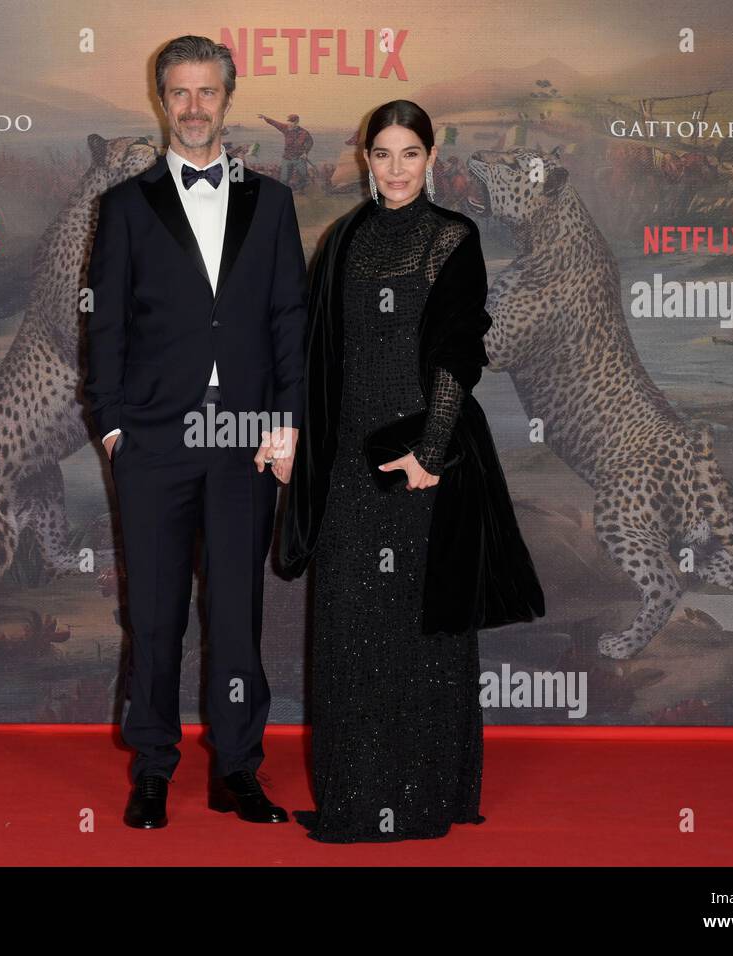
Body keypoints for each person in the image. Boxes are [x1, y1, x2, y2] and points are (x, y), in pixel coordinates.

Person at [278, 100, 545, 843]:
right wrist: (297, 439)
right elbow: (311, 350)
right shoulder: (343, 238)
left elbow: (461, 348)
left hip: (421, 454)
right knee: (347, 627)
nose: (395, 169)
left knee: (420, 628)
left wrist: (430, 452)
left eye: (410, 154)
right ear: (367, 157)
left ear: (431, 158)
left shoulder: (451, 238)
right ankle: (355, 795)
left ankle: (422, 796)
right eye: (383, 153)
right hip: (346, 459)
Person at [85, 36, 308, 829]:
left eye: (206, 92)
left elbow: (290, 319)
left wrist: (287, 423)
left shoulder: (273, 202)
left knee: (237, 614)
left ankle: (239, 770)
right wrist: (112, 428)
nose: (192, 107)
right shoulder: (124, 207)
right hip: (152, 434)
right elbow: (104, 327)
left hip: (246, 435)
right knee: (152, 613)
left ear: (228, 97)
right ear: (161, 100)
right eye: (178, 93)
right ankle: (151, 767)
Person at [259, 113, 314, 185]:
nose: (290, 123)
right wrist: (265, 117)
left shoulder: (304, 132)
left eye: (292, 122)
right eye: (289, 121)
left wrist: (305, 153)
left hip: (299, 158)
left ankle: (301, 190)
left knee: (303, 175)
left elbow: (310, 142)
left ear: (297, 122)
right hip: (287, 158)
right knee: (284, 178)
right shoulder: (285, 128)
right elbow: (275, 123)